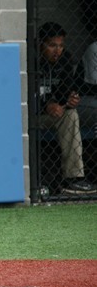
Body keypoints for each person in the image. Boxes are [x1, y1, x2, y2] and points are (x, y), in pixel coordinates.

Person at [36, 22, 97, 195]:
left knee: (71, 115)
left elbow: (65, 91)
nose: (57, 51)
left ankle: (73, 179)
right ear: (41, 44)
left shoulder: (65, 59)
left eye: (61, 46)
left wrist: (70, 99)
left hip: (55, 114)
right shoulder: (30, 59)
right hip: (31, 115)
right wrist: (45, 106)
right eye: (52, 45)